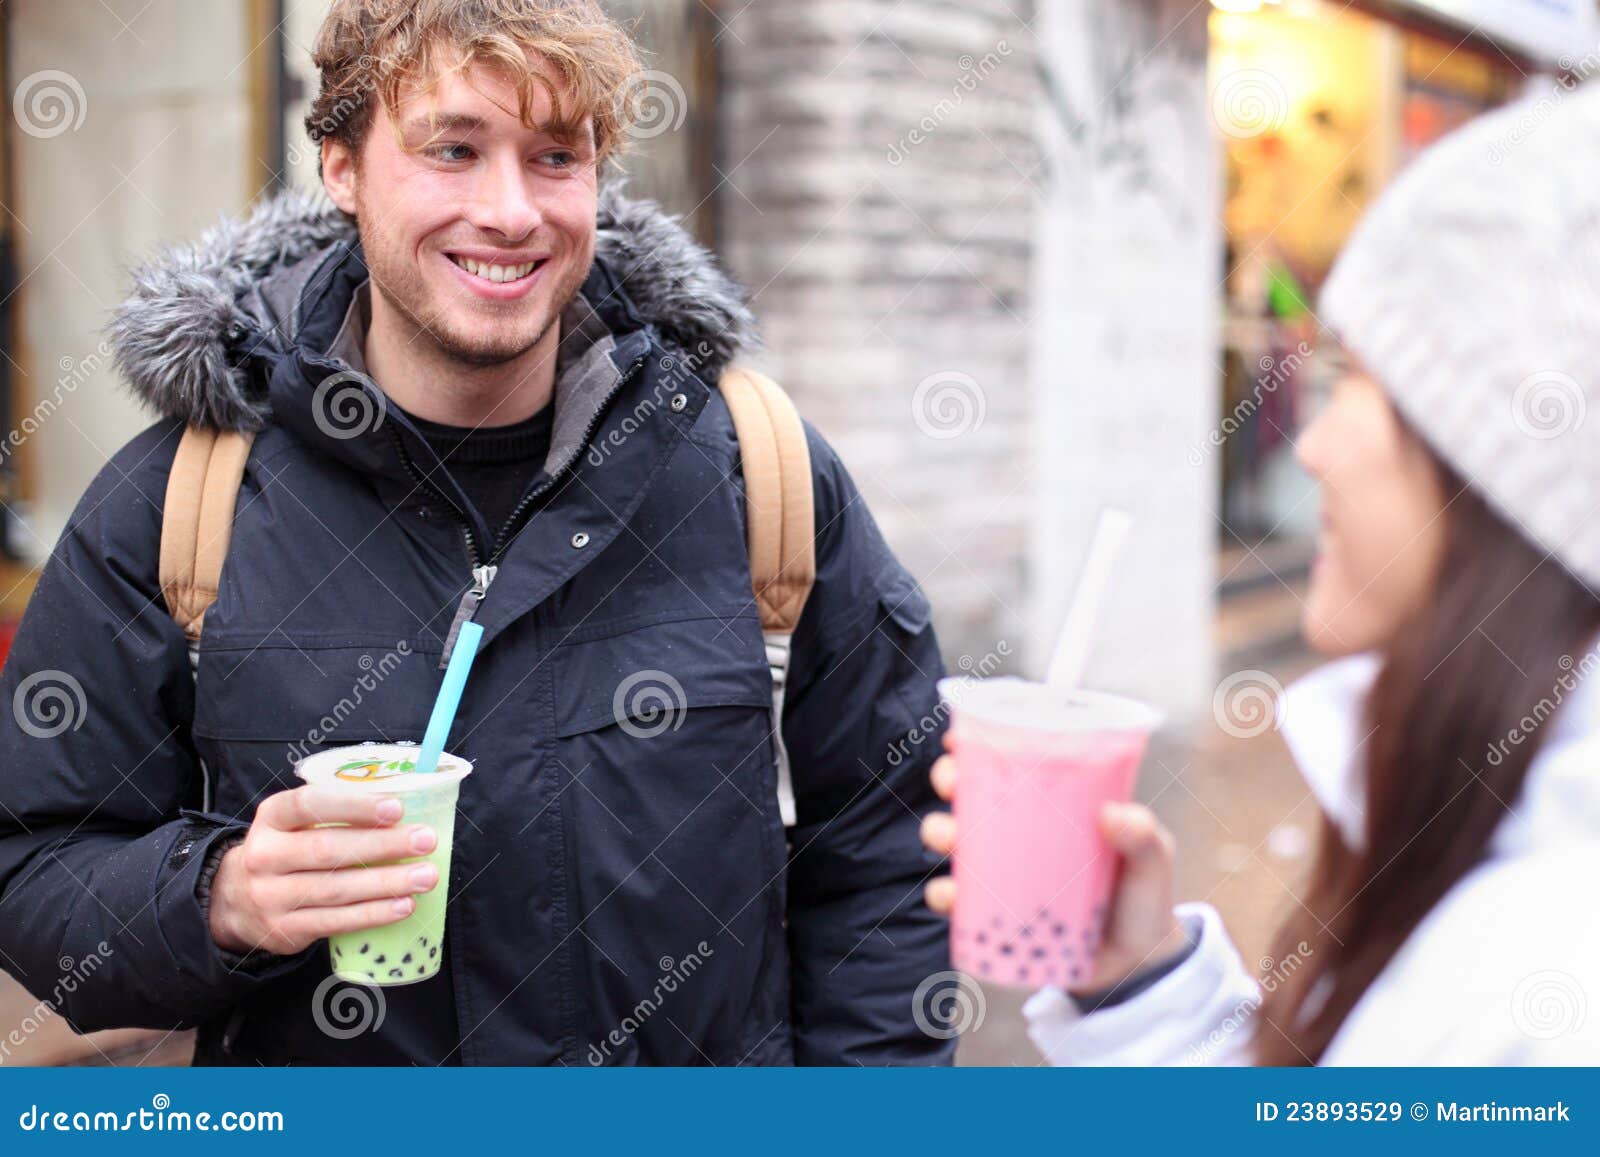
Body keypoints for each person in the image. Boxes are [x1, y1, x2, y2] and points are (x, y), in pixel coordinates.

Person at [0, 0, 951, 1066]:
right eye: (452, 149)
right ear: (342, 165)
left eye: (556, 156)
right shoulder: (180, 504)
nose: (510, 211)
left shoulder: (755, 472)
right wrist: (216, 896)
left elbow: (890, 849)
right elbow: (35, 864)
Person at [923, 83, 1600, 1065]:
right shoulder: (1493, 853)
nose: (1313, 444)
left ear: (1500, 456)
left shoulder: (1545, 980)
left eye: (1360, 376)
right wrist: (1140, 979)